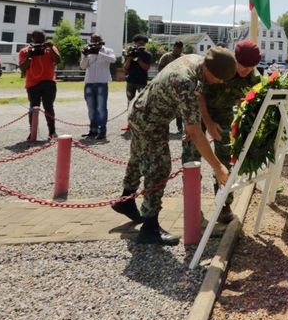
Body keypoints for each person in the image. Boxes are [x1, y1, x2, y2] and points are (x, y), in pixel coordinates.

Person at [111, 47, 236, 245]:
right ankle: (149, 228)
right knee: (159, 167)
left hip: (140, 110)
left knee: (138, 158)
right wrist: (218, 166)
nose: (219, 83)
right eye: (219, 79)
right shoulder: (185, 81)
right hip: (149, 120)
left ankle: (125, 200)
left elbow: (193, 102)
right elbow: (195, 132)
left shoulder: (195, 61)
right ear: (210, 71)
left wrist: (200, 122)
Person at [194, 39, 263, 224]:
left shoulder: (253, 77)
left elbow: (253, 99)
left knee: (225, 158)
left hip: (224, 114)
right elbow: (197, 94)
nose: (245, 71)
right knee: (191, 157)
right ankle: (192, 203)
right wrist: (207, 121)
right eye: (242, 66)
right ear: (235, 58)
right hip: (197, 111)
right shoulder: (220, 65)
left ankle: (224, 204)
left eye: (250, 67)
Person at [18, 29, 61, 141]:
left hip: (49, 82)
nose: (41, 40)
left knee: (49, 107)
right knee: (33, 108)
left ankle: (52, 132)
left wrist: (51, 48)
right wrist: (29, 56)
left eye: (42, 38)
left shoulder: (50, 48)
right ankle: (32, 132)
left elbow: (58, 60)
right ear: (32, 38)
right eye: (38, 38)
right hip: (32, 83)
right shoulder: (25, 51)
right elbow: (22, 68)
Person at [79, 33, 116, 141]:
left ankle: (102, 131)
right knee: (91, 108)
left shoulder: (107, 50)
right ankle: (93, 130)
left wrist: (99, 53)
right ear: (90, 40)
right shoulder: (87, 50)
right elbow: (82, 66)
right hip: (89, 82)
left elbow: (113, 60)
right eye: (93, 40)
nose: (95, 42)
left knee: (101, 108)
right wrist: (85, 56)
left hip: (102, 83)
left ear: (101, 40)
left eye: (97, 40)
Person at [121, 34, 152, 133]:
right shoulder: (131, 53)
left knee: (143, 103)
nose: (140, 45)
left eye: (142, 43)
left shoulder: (147, 54)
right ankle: (130, 123)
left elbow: (146, 68)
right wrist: (130, 58)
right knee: (130, 102)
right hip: (131, 81)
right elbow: (125, 68)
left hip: (142, 82)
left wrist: (139, 59)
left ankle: (142, 123)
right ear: (135, 43)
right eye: (138, 43)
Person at [157, 40, 185, 134]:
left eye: (180, 49)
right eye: (176, 49)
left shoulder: (183, 57)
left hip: (179, 86)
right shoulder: (166, 56)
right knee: (165, 106)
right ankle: (164, 127)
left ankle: (180, 127)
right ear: (174, 47)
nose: (178, 51)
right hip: (166, 85)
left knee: (179, 108)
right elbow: (160, 68)